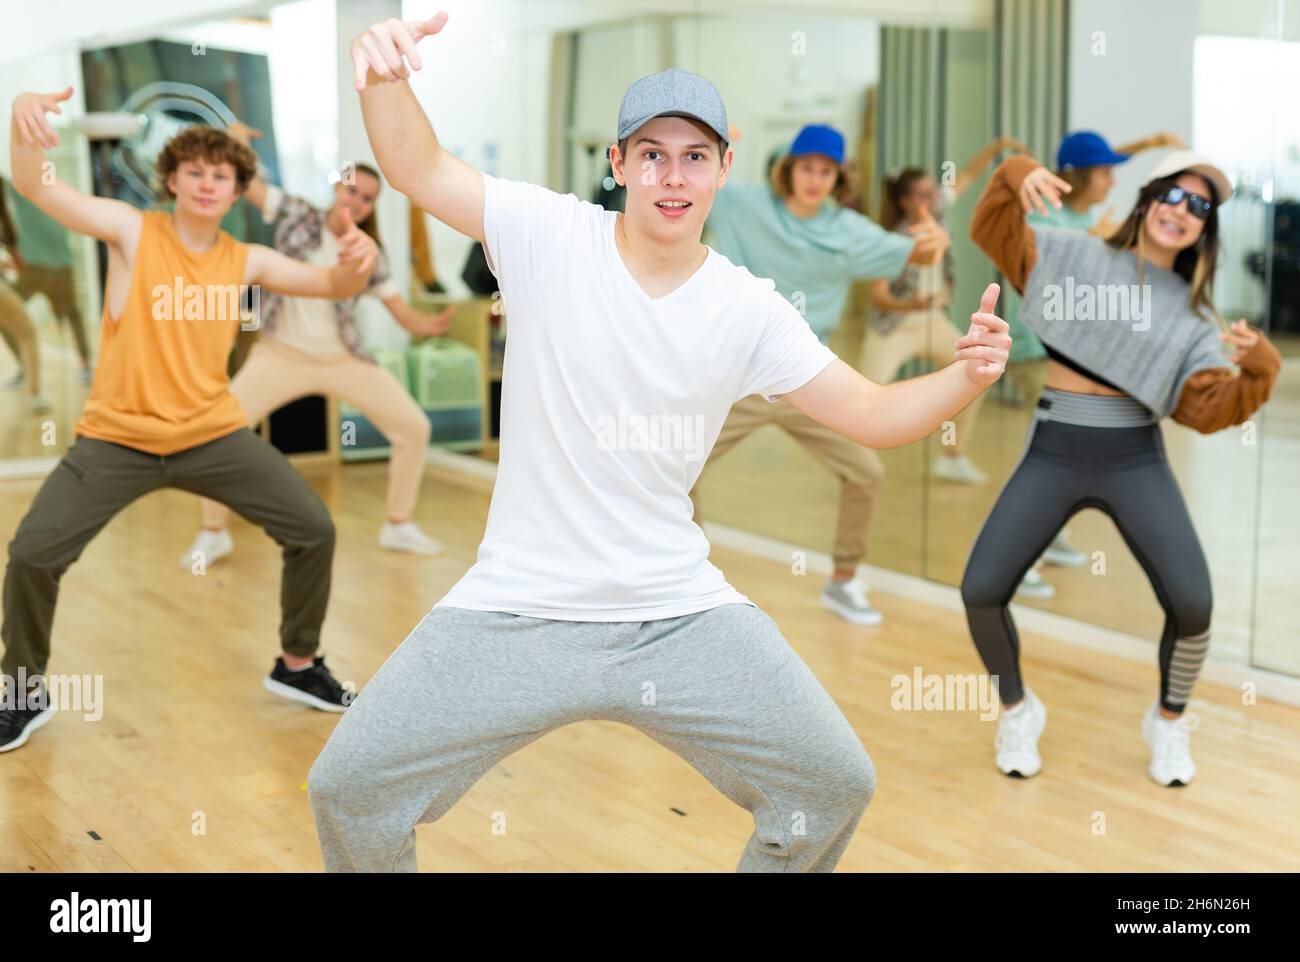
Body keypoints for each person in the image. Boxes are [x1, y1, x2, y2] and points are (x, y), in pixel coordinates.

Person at [307, 13, 1012, 873]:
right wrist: (382, 75)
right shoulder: (544, 236)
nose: (671, 176)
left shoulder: (748, 307)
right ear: (618, 165)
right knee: (349, 786)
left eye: (693, 156)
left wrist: (966, 377)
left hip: (676, 613)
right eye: (651, 153)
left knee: (830, 783)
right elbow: (417, 166)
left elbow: (870, 413)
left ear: (722, 168)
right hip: (516, 607)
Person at [0, 87, 380, 752]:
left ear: (237, 190)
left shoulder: (246, 260)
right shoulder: (129, 231)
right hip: (116, 438)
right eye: (195, 173)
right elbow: (38, 187)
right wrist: (25, 126)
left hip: (212, 435)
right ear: (172, 179)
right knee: (32, 555)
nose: (208, 184)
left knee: (312, 528)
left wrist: (356, 264)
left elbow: (331, 287)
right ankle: (22, 691)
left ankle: (298, 665)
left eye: (222, 176)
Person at [962, 148, 1281, 786]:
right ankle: (1018, 711)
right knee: (981, 590)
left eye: (1200, 206)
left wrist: (1262, 370)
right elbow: (992, 229)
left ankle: (1168, 722)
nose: (1181, 211)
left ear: (1205, 230)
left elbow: (1206, 411)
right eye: (1173, 194)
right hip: (1054, 448)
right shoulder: (1074, 254)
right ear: (1149, 199)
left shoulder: (1195, 320)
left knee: (1193, 605)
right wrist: (1015, 173)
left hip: (1135, 457)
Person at [694, 122, 950, 626]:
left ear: (838, 179)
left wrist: (934, 237)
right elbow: (693, 185)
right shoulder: (745, 205)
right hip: (737, 378)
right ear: (789, 170)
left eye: (826, 172)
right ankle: (689, 577)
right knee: (675, 469)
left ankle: (844, 580)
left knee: (866, 473)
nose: (815, 179)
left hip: (808, 380)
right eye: (807, 168)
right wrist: (708, 140)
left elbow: (917, 252)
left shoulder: (849, 232)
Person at [180, 121, 454, 568]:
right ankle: (213, 532)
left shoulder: (368, 252)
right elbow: (248, 186)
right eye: (352, 191)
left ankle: (398, 524)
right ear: (336, 187)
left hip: (342, 358)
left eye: (367, 199)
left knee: (413, 428)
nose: (358, 202)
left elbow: (399, 310)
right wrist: (231, 146)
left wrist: (428, 324)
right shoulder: (296, 214)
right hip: (280, 354)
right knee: (217, 427)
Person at [1007, 129, 1189, 598]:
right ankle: (1016, 558)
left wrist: (1147, 144)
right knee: (1042, 458)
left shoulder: (1085, 213)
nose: (1112, 181)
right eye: (1104, 172)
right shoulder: (1048, 213)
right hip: (1036, 351)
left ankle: (1050, 538)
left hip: (1068, 354)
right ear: (1081, 176)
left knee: (1060, 455)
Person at [865, 136, 1028, 487]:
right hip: (894, 325)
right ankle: (856, 467)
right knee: (863, 396)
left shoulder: (938, 211)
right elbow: (878, 296)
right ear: (906, 202)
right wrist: (909, 304)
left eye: (933, 192)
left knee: (975, 371)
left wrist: (999, 145)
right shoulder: (891, 238)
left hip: (933, 321)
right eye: (924, 194)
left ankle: (953, 458)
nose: (934, 197)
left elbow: (968, 173)